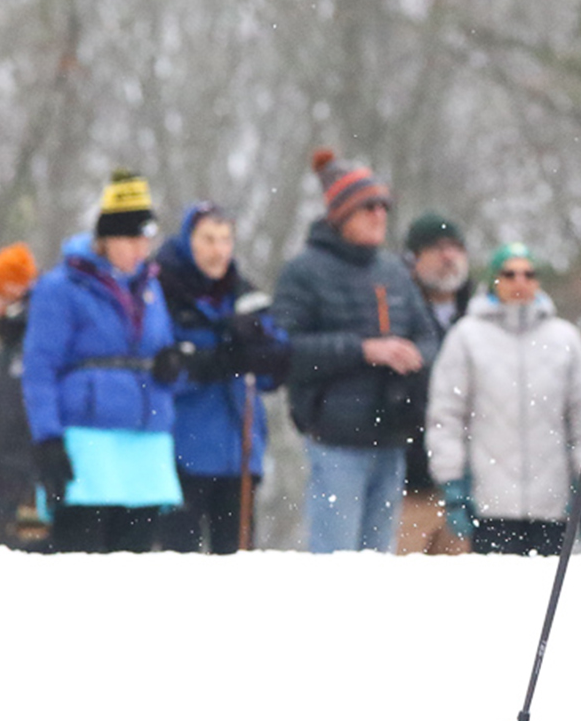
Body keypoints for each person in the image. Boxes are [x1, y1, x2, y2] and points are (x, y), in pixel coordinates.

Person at [274, 149, 438, 554]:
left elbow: (430, 338)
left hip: (393, 435)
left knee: (379, 560)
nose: (379, 214)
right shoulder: (304, 271)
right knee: (337, 559)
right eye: (368, 207)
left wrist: (415, 357)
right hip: (336, 440)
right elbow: (284, 352)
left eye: (383, 206)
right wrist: (364, 350)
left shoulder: (395, 271)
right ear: (341, 214)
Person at [20, 170, 189, 553]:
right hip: (89, 446)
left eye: (144, 239)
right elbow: (40, 367)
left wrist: (172, 366)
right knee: (82, 561)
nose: (140, 250)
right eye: (130, 239)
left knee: (134, 564)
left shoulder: (151, 288)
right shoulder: (61, 287)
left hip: (146, 447)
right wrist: (46, 436)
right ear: (105, 239)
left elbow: (160, 350)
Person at [428, 243, 581, 557]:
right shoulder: (466, 337)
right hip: (490, 503)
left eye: (528, 274)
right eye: (509, 274)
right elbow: (446, 417)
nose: (520, 282)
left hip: (552, 503)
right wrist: (452, 483)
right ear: (495, 280)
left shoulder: (565, 339)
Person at [154, 202, 291, 554]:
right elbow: (164, 369)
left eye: (225, 240)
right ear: (189, 241)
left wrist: (255, 342)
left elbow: (277, 364)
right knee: (177, 561)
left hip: (239, 453)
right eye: (209, 239)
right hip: (182, 451)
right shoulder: (164, 290)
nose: (219, 251)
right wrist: (223, 357)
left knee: (237, 563)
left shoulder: (243, 292)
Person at [400, 210, 473, 556]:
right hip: (407, 485)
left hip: (466, 489)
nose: (449, 257)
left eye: (456, 248)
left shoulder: (478, 318)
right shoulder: (395, 312)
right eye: (437, 248)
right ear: (412, 258)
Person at [0, 243, 45, 550]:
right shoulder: (10, 345)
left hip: (32, 484)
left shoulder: (33, 339)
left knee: (30, 556)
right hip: (9, 479)